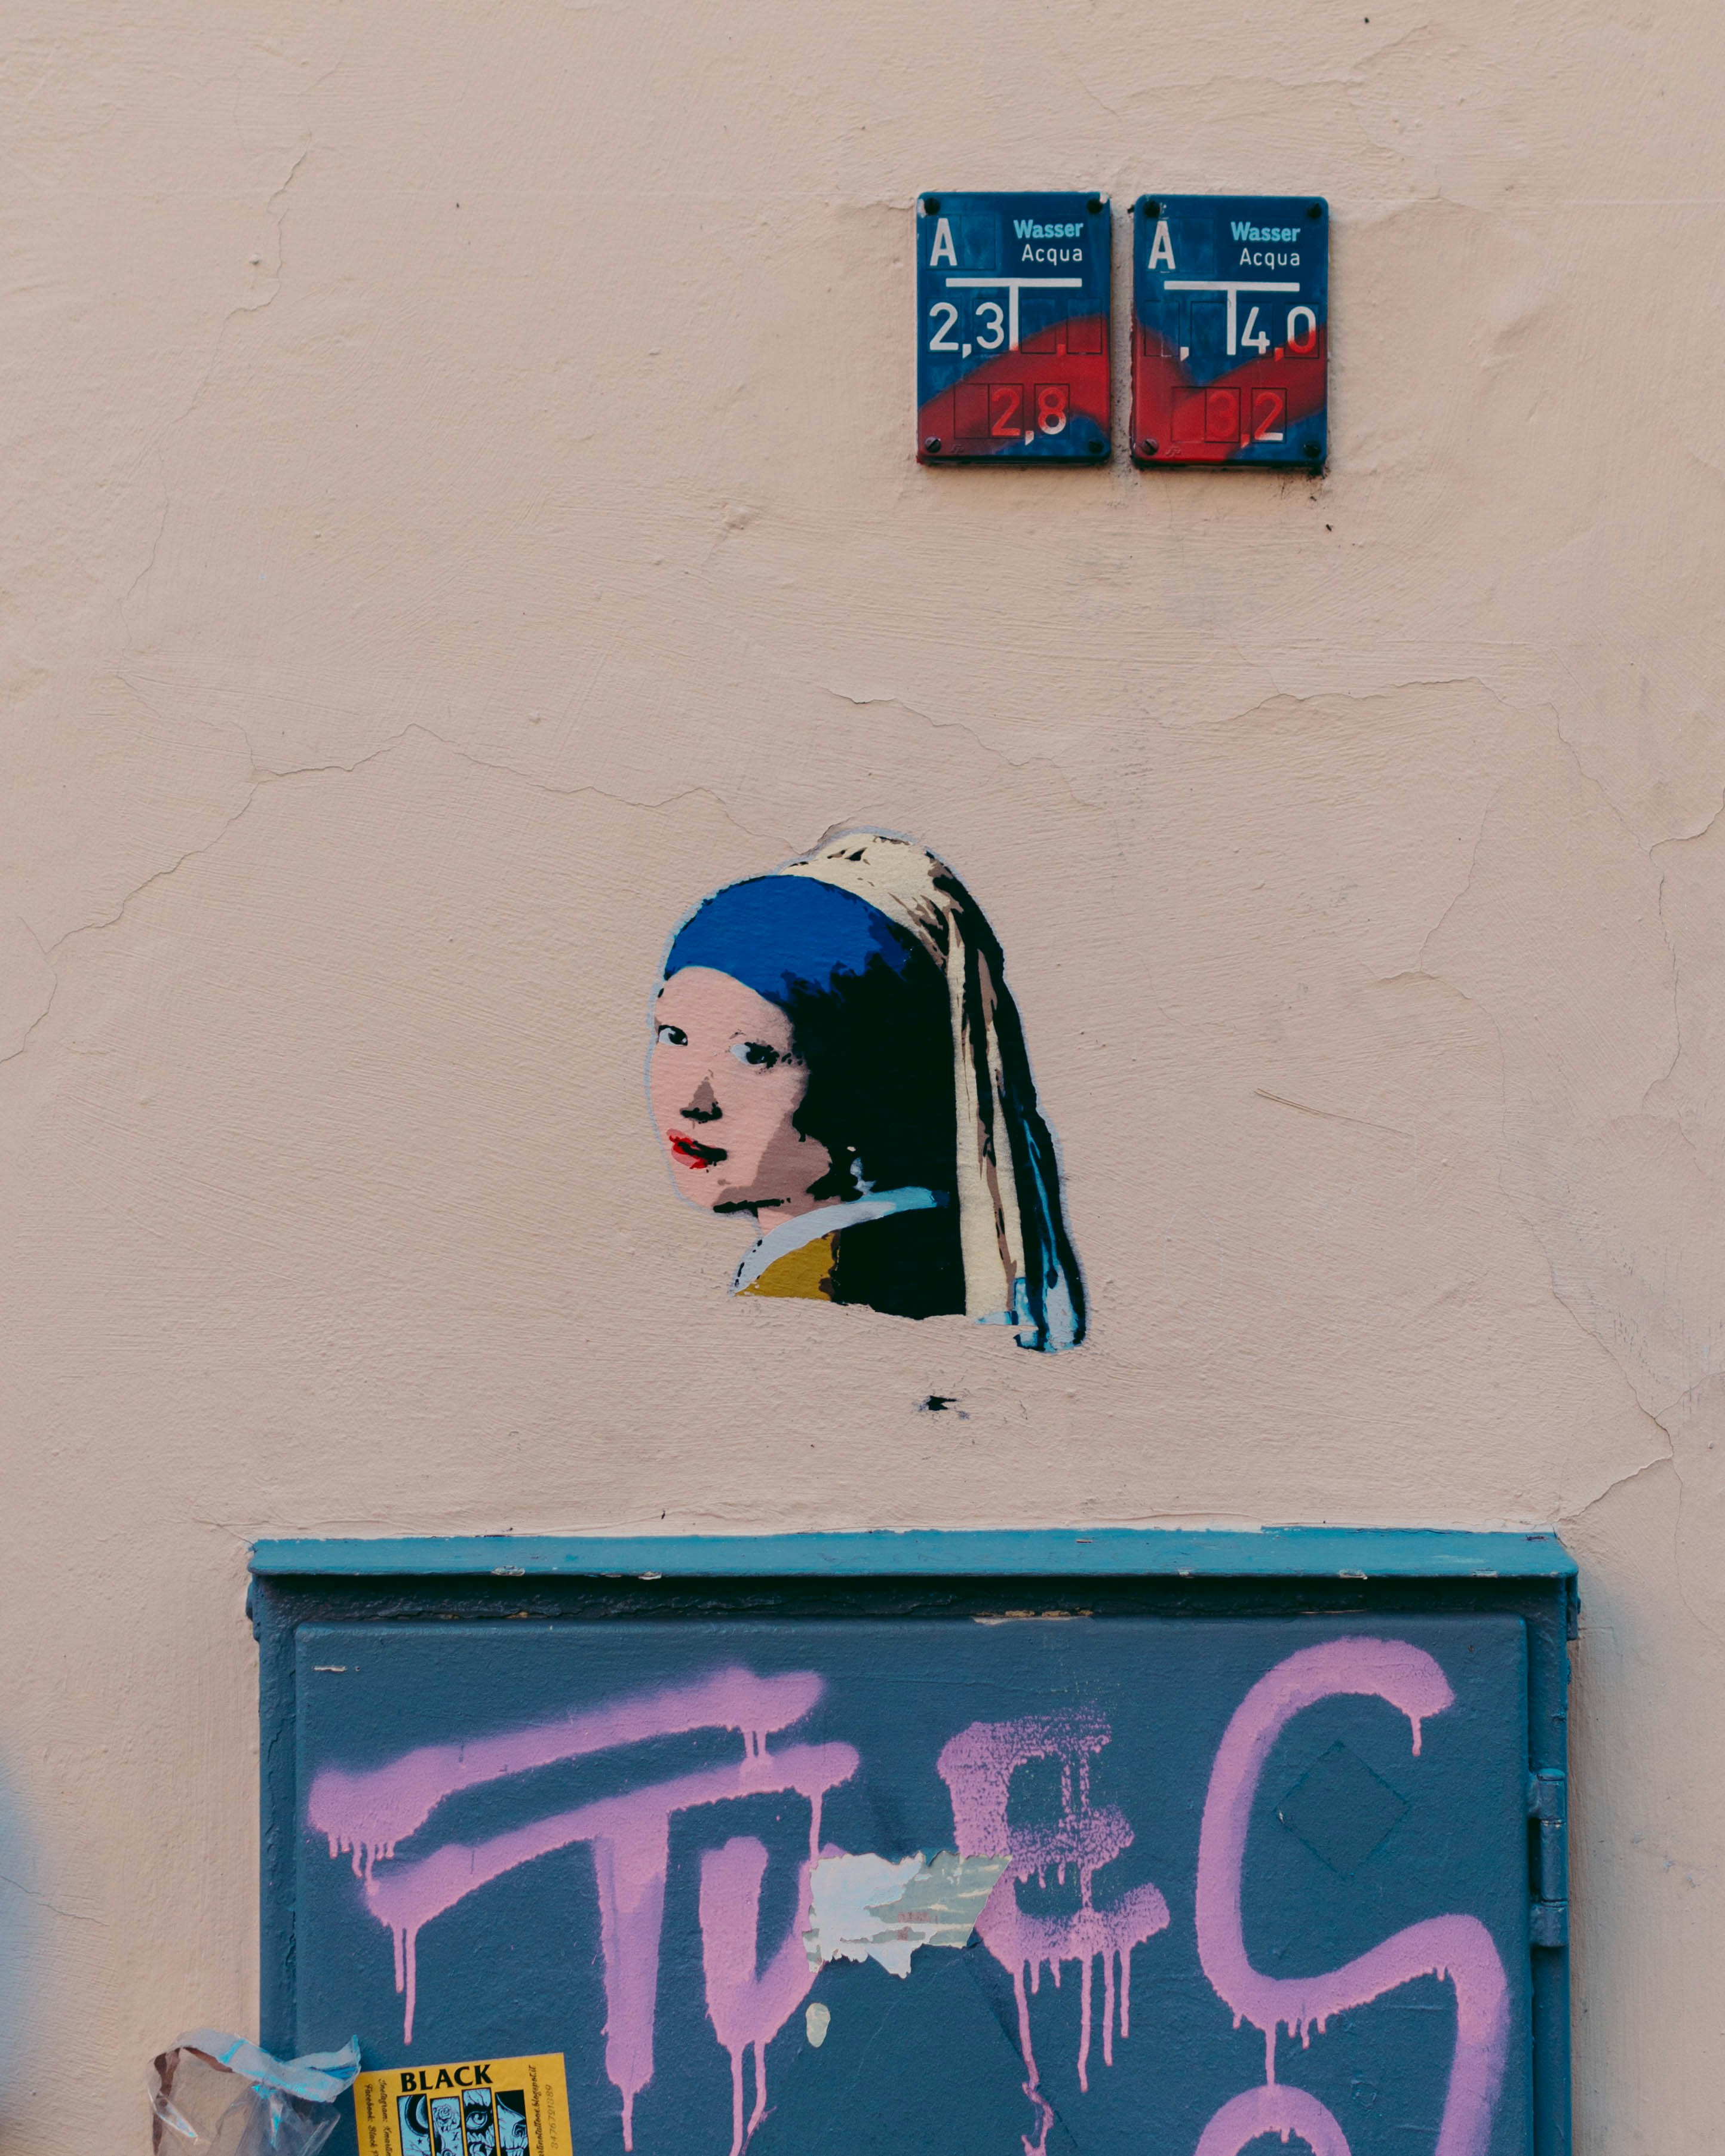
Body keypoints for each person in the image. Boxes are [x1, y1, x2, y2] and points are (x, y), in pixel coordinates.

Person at [649, 830, 1084, 1350]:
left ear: (867, 1079)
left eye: (753, 1055)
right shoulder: (915, 1246)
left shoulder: (832, 1289)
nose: (693, 1101)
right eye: (674, 1036)